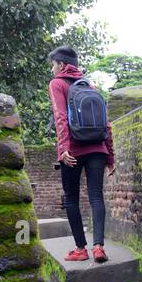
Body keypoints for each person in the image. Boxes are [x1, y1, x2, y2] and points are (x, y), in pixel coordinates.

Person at [48, 46, 114, 262]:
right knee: (96, 196)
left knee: (71, 199)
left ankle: (80, 249)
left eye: (53, 64)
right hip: (97, 148)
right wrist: (110, 157)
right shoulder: (90, 85)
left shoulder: (57, 84)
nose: (52, 69)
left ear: (61, 65)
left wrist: (63, 149)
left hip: (74, 150)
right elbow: (106, 124)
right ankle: (98, 248)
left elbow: (60, 117)